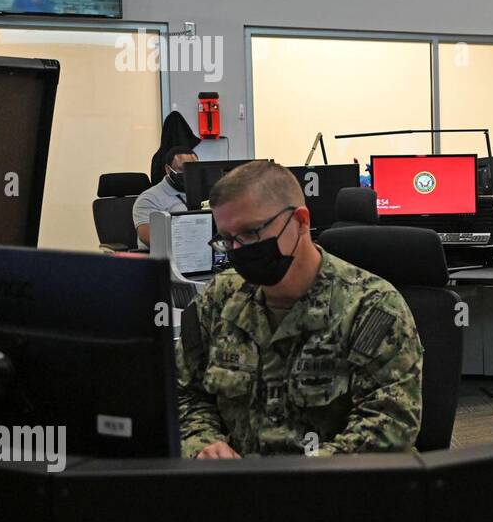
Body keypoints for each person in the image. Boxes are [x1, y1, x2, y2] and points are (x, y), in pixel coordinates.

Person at [175, 160, 422, 458]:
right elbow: (185, 394)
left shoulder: (372, 307)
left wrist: (294, 479)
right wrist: (203, 443)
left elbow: (390, 425)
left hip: (334, 492)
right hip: (235, 486)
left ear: (301, 221)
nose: (239, 250)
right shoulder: (219, 298)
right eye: (227, 240)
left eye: (251, 232)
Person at [133, 146, 197, 248]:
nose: (188, 174)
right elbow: (149, 238)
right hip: (164, 257)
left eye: (193, 169)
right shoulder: (149, 198)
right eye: (182, 169)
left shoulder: (203, 192)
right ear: (168, 169)